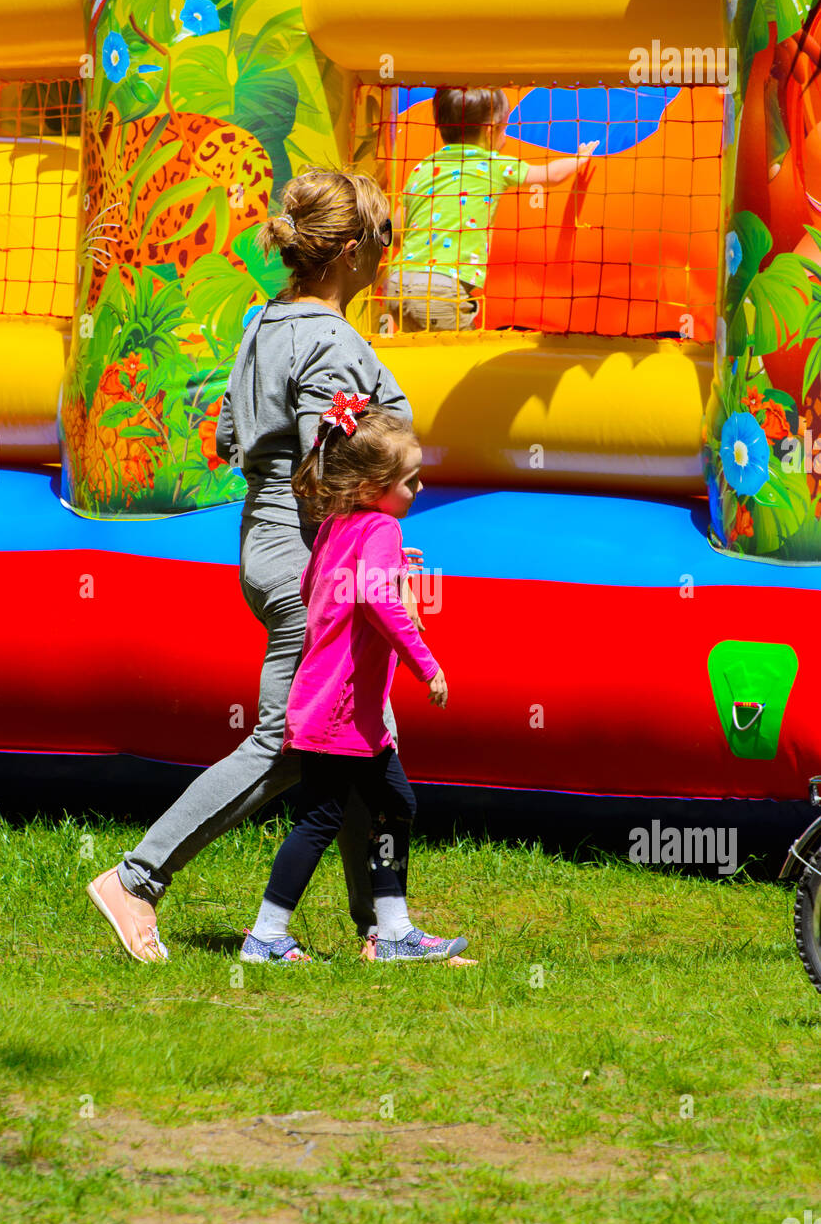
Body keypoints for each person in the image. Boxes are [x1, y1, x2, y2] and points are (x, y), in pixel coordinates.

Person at [86, 168, 425, 962]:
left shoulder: (264, 324)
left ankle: (384, 927)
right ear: (347, 251)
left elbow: (233, 442)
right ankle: (137, 878)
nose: (387, 252)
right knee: (288, 740)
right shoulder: (332, 342)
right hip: (310, 550)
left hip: (263, 537)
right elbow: (325, 469)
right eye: (383, 237)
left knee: (361, 736)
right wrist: (353, 560)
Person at [240, 402, 468, 963]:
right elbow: (376, 599)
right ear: (373, 485)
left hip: (327, 703)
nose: (419, 488)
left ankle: (391, 932)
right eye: (410, 481)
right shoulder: (381, 527)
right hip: (344, 713)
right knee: (324, 819)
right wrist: (427, 665)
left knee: (391, 804)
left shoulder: (338, 528)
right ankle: (267, 936)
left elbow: (317, 585)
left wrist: (388, 571)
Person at [384, 85, 599, 331]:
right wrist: (579, 159)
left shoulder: (422, 168)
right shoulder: (492, 164)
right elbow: (549, 175)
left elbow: (397, 230)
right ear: (490, 130)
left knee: (421, 354)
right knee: (461, 360)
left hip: (399, 285)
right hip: (442, 289)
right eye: (504, 128)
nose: (506, 137)